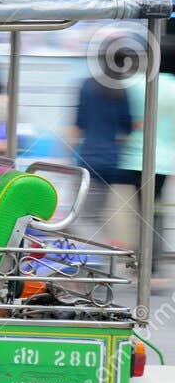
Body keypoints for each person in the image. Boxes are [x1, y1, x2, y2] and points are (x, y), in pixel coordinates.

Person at [108, 33, 175, 271]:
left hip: (134, 156)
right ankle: (150, 261)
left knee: (138, 212)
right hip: (165, 160)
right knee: (153, 211)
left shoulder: (135, 82)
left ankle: (143, 259)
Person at [68, 36, 135, 242]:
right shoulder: (123, 91)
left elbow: (78, 125)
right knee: (95, 216)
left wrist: (68, 155)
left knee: (80, 218)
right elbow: (127, 127)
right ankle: (100, 260)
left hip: (89, 159)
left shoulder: (87, 86)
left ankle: (101, 261)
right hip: (112, 161)